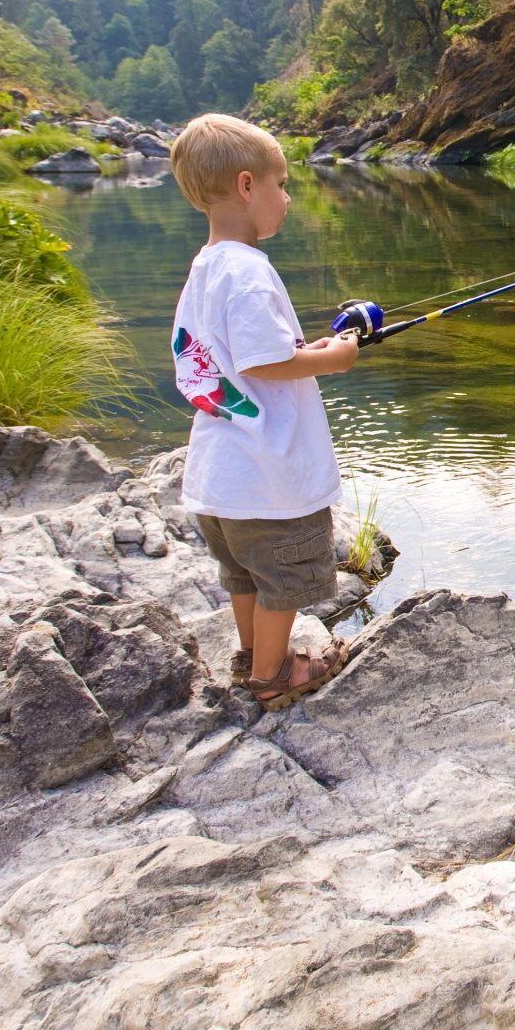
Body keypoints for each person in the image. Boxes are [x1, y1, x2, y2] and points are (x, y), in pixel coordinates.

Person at [168, 113, 359, 710]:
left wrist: (306, 351)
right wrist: (334, 360)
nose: (287, 196)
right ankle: (276, 678)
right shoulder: (249, 272)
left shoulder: (207, 266)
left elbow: (224, 357)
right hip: (267, 478)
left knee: (245, 577)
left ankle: (252, 656)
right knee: (283, 581)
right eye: (281, 184)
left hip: (222, 479)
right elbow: (263, 362)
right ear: (247, 187)